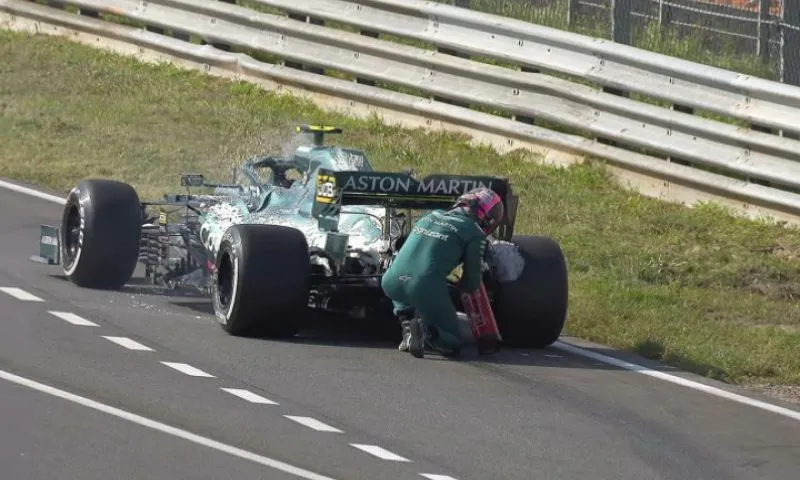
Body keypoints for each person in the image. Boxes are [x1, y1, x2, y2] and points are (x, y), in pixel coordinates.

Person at [380, 187, 505, 359]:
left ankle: (408, 329)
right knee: (452, 343)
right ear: (488, 219)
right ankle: (427, 331)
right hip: (424, 287)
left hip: (391, 280)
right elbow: (471, 283)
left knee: (405, 296)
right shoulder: (474, 233)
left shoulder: (431, 215)